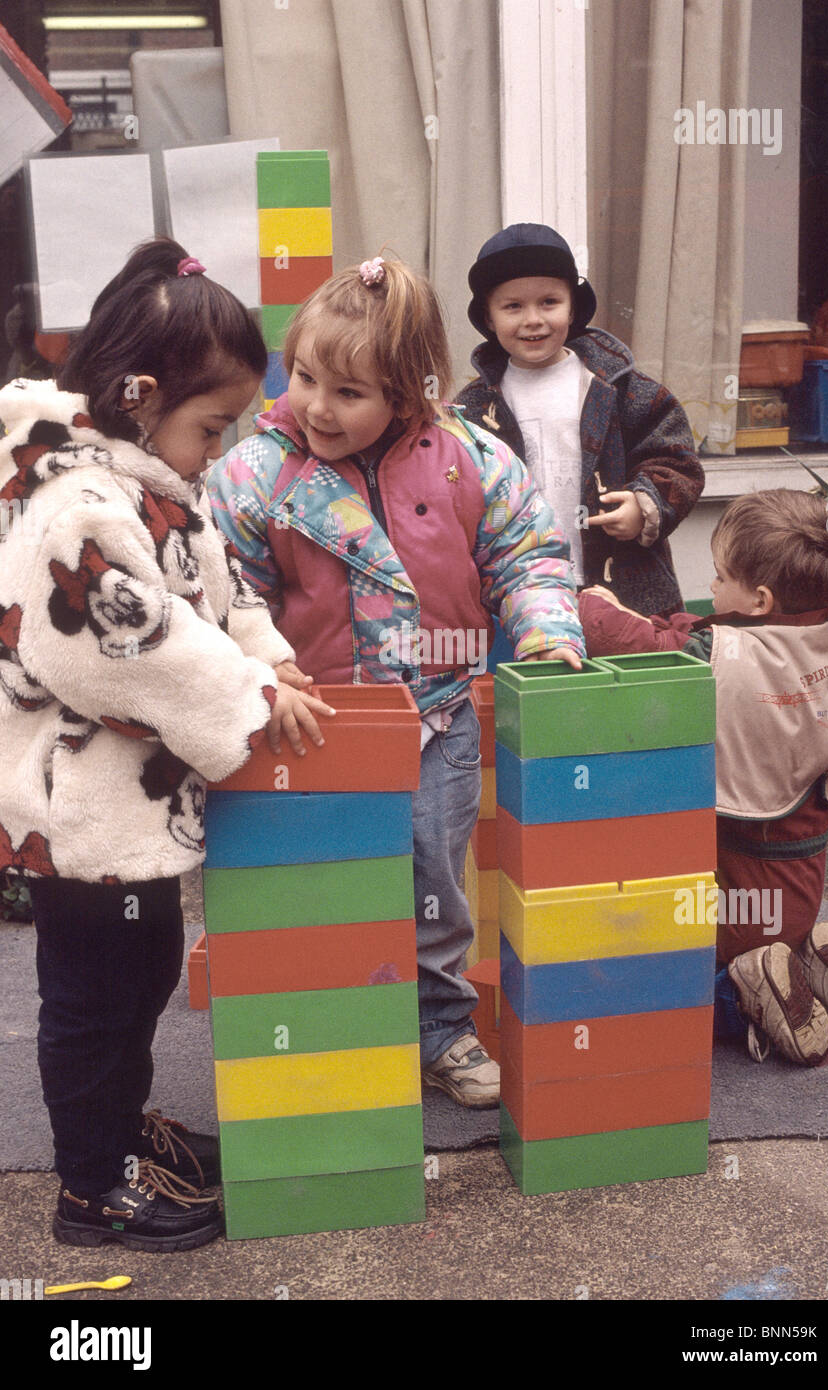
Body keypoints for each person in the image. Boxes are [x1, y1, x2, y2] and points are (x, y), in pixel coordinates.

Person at [0, 238, 333, 1251]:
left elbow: (217, 600)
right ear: (139, 398)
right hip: (81, 815)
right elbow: (128, 643)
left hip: (127, 814)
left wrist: (269, 660)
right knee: (96, 998)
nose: (219, 450)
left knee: (136, 977)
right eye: (211, 426)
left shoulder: (154, 494)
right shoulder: (77, 506)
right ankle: (93, 1185)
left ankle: (119, 1128)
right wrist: (246, 693)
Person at [208, 253, 585, 1107]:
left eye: (348, 392)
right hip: (308, 727)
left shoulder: (466, 458)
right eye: (304, 376)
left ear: (409, 392)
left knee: (432, 888)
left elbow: (525, 555)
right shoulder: (256, 473)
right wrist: (260, 673)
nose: (316, 406)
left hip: (436, 718)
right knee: (316, 887)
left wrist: (547, 633)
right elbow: (222, 589)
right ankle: (325, 1033)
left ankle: (439, 1028)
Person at [578, 489, 828, 1066]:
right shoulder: (817, 629)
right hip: (799, 878)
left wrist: (590, 604)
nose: (710, 587)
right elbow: (712, 632)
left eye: (719, 576)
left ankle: (750, 985)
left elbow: (649, 644)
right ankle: (807, 960)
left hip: (741, 897)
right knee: (779, 932)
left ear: (759, 599)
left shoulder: (717, 654)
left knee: (671, 993)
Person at [454, 223, 705, 617]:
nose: (533, 319)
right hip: (517, 587)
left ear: (574, 307)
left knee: (625, 676)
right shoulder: (472, 408)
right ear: (488, 317)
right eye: (513, 306)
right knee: (537, 676)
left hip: (621, 585)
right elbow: (452, 491)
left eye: (549, 302)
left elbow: (677, 458)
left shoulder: (619, 387)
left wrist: (644, 504)